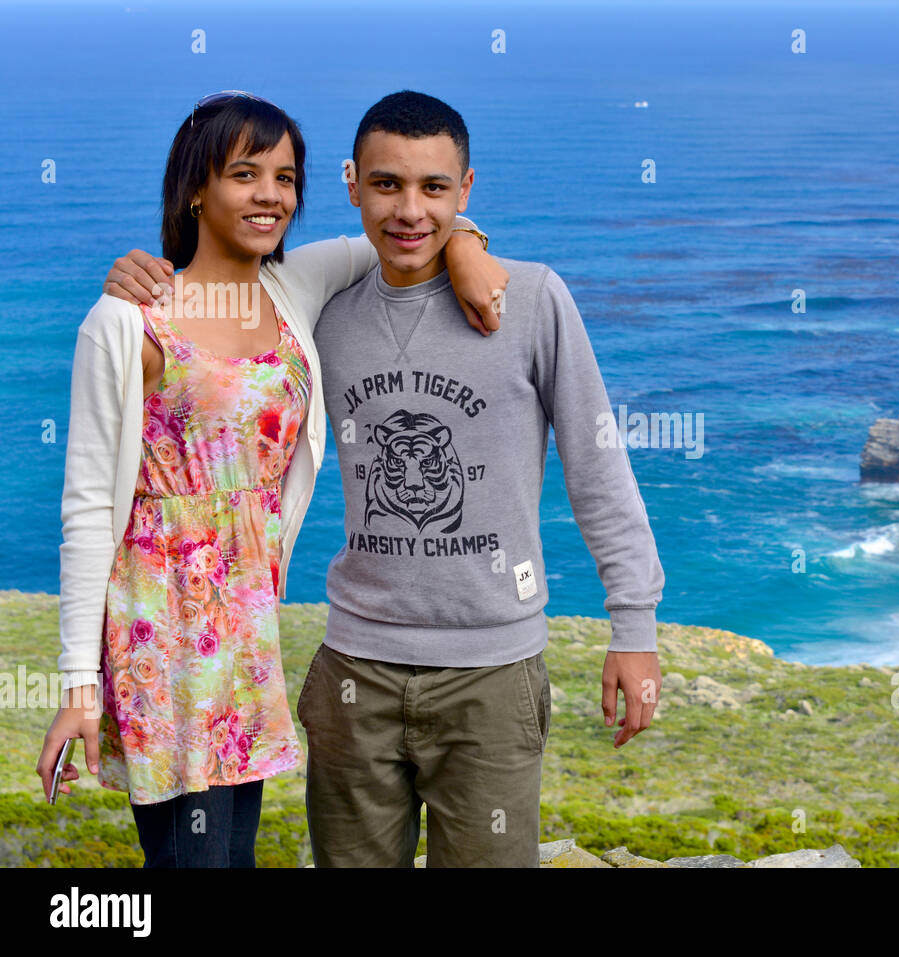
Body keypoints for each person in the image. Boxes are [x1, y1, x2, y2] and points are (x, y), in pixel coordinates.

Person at [36, 90, 506, 868]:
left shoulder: (294, 286)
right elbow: (87, 509)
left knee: (234, 855)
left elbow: (408, 231)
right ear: (195, 187)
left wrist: (468, 248)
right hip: (163, 635)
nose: (270, 196)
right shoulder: (127, 321)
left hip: (249, 633)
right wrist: (76, 687)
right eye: (244, 174)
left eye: (286, 178)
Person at [297, 90, 665, 867]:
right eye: (387, 184)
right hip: (353, 670)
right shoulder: (321, 312)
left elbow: (597, 460)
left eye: (434, 189)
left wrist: (633, 626)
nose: (409, 210)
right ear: (352, 184)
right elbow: (223, 295)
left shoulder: (529, 299)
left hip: (491, 676)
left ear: (466, 190)